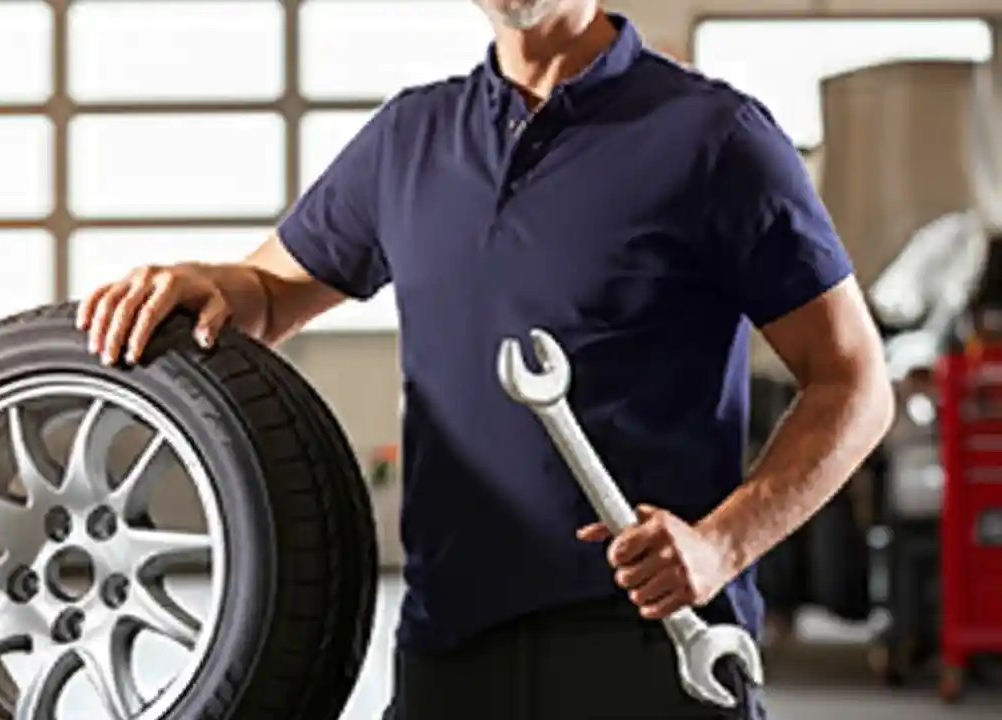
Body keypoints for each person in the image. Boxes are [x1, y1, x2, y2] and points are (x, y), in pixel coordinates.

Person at [76, 1, 894, 717]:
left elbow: (854, 382)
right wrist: (202, 282)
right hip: (451, 650)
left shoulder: (715, 138)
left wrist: (721, 545)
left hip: (645, 649)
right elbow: (268, 293)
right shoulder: (408, 138)